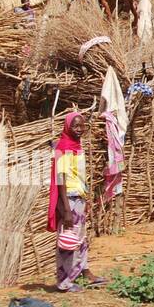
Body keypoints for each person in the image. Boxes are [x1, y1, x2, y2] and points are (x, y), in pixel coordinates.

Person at [47, 110, 105, 292]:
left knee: (79, 239)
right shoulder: (63, 147)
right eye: (75, 126)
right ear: (67, 126)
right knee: (67, 240)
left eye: (82, 125)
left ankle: (82, 272)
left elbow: (79, 176)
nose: (80, 129)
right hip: (69, 200)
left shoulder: (76, 146)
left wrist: (85, 197)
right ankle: (63, 283)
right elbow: (61, 178)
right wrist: (65, 209)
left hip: (78, 197)